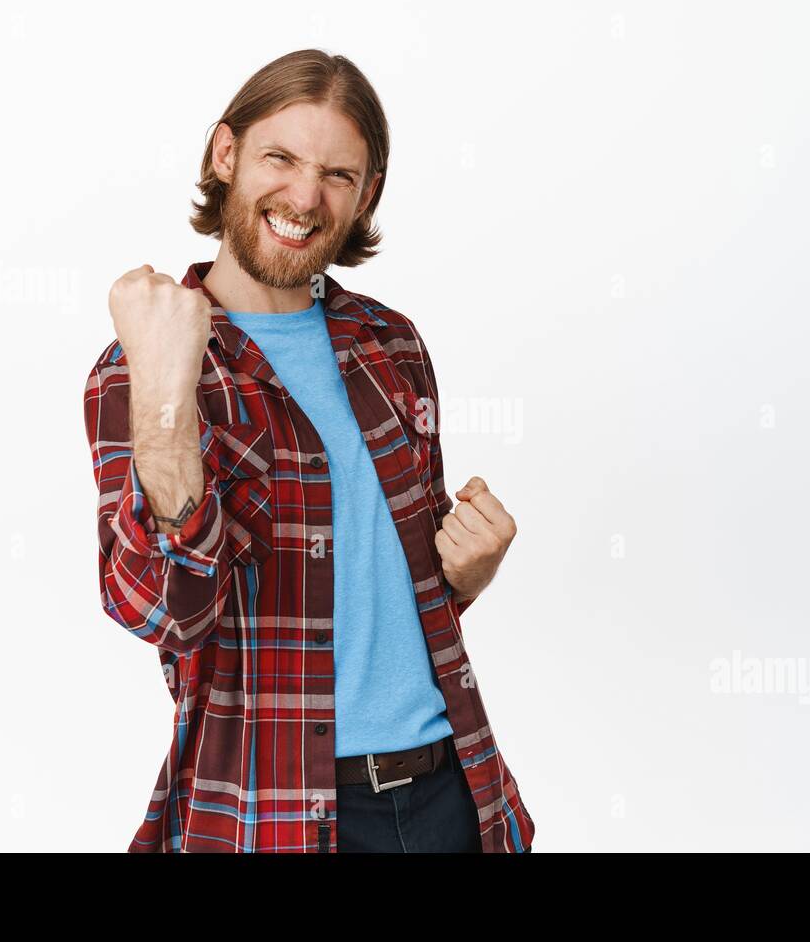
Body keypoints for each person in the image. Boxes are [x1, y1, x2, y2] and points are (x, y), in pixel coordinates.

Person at [81, 49, 535, 853]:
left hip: (452, 793)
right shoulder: (140, 366)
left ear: (366, 195)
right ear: (226, 155)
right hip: (273, 812)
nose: (304, 196)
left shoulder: (390, 344)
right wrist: (164, 399)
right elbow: (159, 611)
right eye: (280, 158)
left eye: (337, 174)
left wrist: (463, 574)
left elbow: (370, 597)